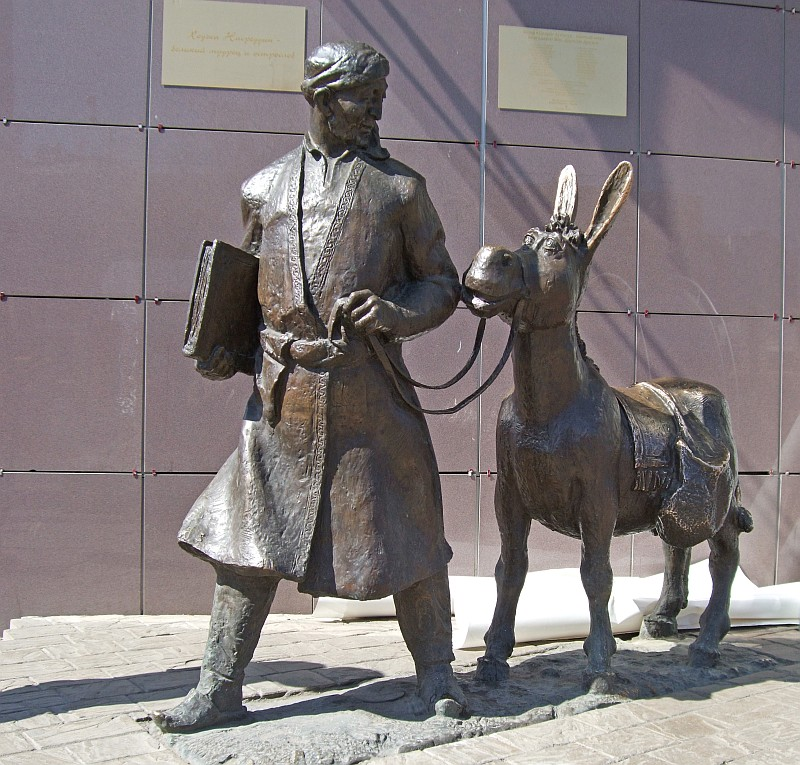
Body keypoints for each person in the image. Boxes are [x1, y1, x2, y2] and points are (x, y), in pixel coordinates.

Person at [153, 41, 466, 734]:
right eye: (364, 99)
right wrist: (220, 344)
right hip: (281, 398)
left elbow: (442, 283)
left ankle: (439, 677)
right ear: (323, 99)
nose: (376, 111)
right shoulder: (263, 189)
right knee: (247, 544)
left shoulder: (400, 190)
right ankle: (219, 686)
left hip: (371, 398)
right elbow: (245, 289)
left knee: (411, 536)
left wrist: (395, 312)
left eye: (381, 99)